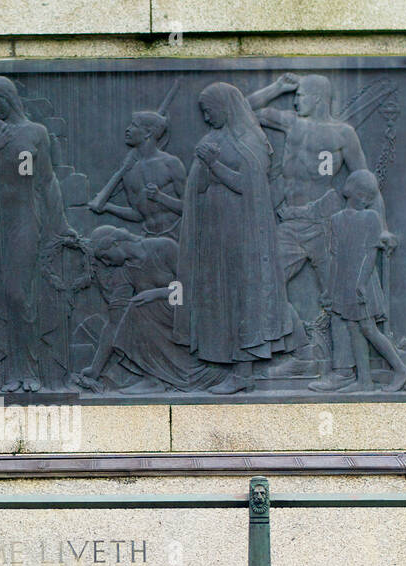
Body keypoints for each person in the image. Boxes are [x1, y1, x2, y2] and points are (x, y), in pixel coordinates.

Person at [171, 82, 296, 394]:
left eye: (209, 110)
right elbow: (196, 186)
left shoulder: (251, 140)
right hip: (213, 235)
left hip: (243, 234)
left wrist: (214, 165)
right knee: (217, 296)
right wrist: (202, 173)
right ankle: (217, 360)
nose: (206, 116)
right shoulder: (210, 139)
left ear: (225, 108)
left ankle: (243, 373)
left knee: (241, 296)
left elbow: (252, 187)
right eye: (203, 112)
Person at [0, 75, 78, 393]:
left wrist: (61, 223)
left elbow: (46, 181)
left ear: (9, 99)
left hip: (25, 221)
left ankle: (28, 367)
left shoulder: (35, 133)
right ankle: (6, 372)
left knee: (18, 294)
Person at [246, 72, 371, 302]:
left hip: (324, 225)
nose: (295, 101)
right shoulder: (291, 122)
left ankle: (338, 336)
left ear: (317, 99)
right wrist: (277, 87)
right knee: (266, 280)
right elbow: (241, 110)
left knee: (338, 296)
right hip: (290, 222)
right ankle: (292, 336)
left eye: (300, 96)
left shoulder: (343, 134)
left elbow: (364, 180)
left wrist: (379, 226)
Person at [73, 225, 217, 392]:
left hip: (195, 310)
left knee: (142, 307)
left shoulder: (164, 247)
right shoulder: (125, 271)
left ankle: (160, 379)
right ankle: (155, 378)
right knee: (134, 310)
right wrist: (95, 369)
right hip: (162, 318)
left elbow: (196, 285)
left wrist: (157, 294)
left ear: (115, 244)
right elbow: (115, 321)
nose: (106, 263)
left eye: (105, 257)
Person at [309, 170, 406, 392]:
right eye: (363, 193)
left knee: (368, 328)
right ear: (354, 192)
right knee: (355, 328)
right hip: (345, 284)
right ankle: (364, 381)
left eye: (368, 196)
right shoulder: (336, 220)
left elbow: (371, 254)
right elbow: (335, 258)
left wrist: (362, 283)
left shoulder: (370, 218)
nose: (365, 199)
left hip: (361, 283)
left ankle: (401, 369)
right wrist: (330, 289)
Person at [88, 111, 187, 237]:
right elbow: (138, 215)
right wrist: (109, 207)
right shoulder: (130, 171)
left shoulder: (171, 163)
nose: (127, 129)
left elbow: (188, 208)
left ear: (148, 133)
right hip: (148, 236)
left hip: (176, 234)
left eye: (134, 125)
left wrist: (160, 197)